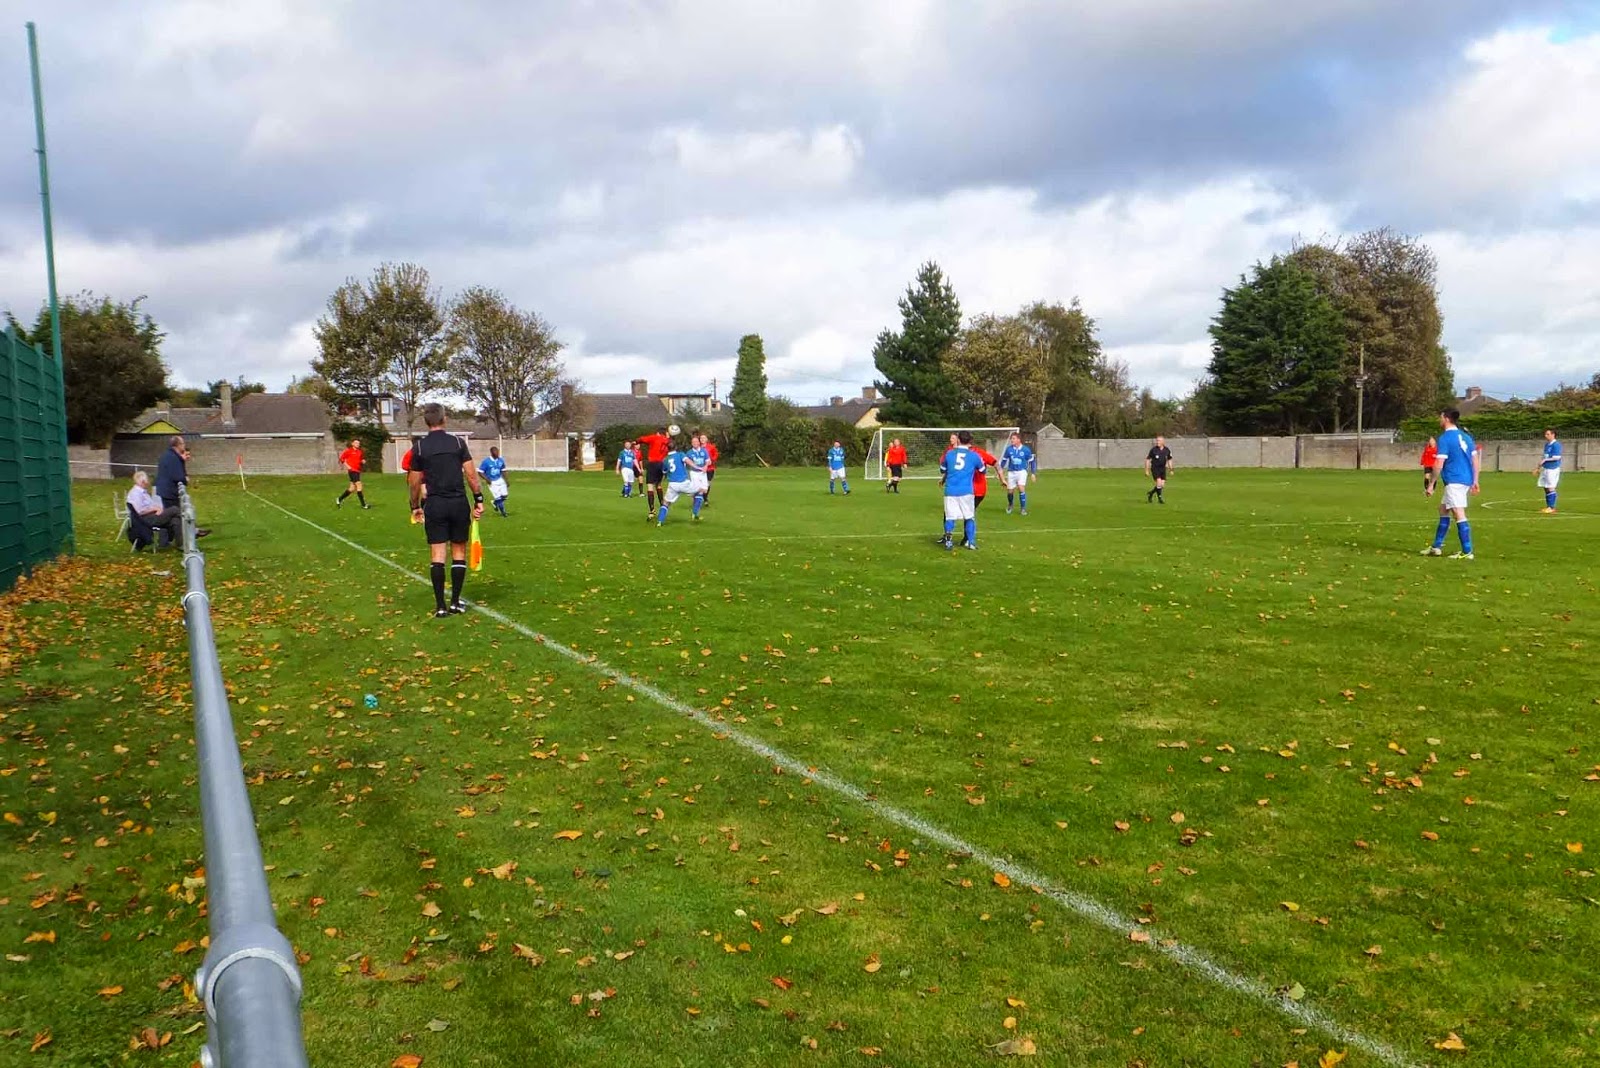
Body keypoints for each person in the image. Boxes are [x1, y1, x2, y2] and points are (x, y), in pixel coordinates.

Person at [408, 404, 485, 617]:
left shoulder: (420, 447)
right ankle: (455, 602)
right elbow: (471, 475)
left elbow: (414, 482)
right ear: (445, 419)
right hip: (458, 503)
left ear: (426, 422)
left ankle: (441, 606)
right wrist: (478, 499)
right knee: (459, 552)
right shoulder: (458, 443)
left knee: (437, 555)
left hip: (435, 505)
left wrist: (414, 506)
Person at [1421, 409, 1479, 560]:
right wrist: (1475, 480)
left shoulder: (1445, 438)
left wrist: (1431, 484)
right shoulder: (1466, 437)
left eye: (1440, 417)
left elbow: (1439, 463)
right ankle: (1436, 547)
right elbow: (1475, 460)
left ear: (1446, 419)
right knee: (1443, 509)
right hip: (1464, 479)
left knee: (1458, 513)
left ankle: (1467, 551)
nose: (1439, 420)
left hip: (1455, 480)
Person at [939, 431, 990, 550]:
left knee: (950, 517)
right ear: (970, 441)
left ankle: (948, 541)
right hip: (966, 490)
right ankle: (971, 543)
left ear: (958, 440)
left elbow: (942, 469)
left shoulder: (949, 454)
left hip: (950, 490)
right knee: (969, 516)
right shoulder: (974, 455)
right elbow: (983, 470)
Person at [155, 435, 210, 538]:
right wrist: (185, 479)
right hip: (169, 492)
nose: (184, 446)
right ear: (178, 445)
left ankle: (178, 537)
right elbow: (177, 475)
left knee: (174, 515)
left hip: (166, 490)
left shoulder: (168, 455)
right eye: (183, 443)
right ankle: (180, 537)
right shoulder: (173, 457)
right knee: (173, 515)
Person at [126, 470, 176, 550]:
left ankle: (177, 543)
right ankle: (191, 531)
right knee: (174, 510)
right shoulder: (136, 494)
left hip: (151, 515)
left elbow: (150, 505)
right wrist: (155, 509)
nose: (148, 482)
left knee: (175, 520)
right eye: (147, 480)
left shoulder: (143, 493)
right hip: (145, 519)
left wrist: (158, 509)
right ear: (143, 481)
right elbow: (140, 511)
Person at [656, 440, 699, 525]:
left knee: (666, 502)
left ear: (667, 449)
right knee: (701, 491)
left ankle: (660, 521)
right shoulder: (680, 454)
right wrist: (697, 467)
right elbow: (687, 461)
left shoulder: (665, 459)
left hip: (673, 485)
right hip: (684, 483)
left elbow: (664, 471)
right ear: (676, 447)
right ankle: (695, 514)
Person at [636, 426, 673, 520]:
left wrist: (636, 441)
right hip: (661, 464)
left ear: (658, 433)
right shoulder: (667, 441)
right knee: (659, 485)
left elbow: (641, 439)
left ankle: (652, 510)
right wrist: (668, 437)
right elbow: (672, 446)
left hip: (652, 464)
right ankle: (662, 506)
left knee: (650, 486)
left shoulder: (654, 437)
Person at [1000, 432, 1036, 515]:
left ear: (1018, 440)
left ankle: (1023, 508)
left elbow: (1032, 461)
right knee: (1010, 491)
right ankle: (1010, 504)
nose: (1011, 440)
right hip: (1011, 472)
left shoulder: (1026, 450)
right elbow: (1004, 460)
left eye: (1013, 438)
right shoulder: (1009, 449)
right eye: (1011, 438)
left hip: (1022, 471)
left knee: (1021, 487)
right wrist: (1000, 470)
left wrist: (1033, 473)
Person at [336, 439, 370, 509]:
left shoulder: (359, 452)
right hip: (352, 471)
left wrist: (362, 461)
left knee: (351, 488)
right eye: (356, 443)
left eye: (359, 443)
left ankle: (339, 499)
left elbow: (360, 460)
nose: (358, 444)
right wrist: (347, 466)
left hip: (357, 471)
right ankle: (363, 505)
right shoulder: (348, 451)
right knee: (359, 485)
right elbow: (342, 459)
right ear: (352, 444)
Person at [478, 446, 510, 517]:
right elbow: (480, 472)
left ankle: (495, 503)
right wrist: (487, 479)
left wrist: (507, 480)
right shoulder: (486, 461)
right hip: (492, 482)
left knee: (505, 495)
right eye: (496, 452)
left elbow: (503, 470)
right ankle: (503, 513)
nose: (497, 453)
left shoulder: (501, 460)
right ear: (492, 452)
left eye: (498, 451)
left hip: (500, 480)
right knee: (498, 498)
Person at [1536, 428, 1562, 513]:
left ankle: (1551, 507)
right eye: (1545, 434)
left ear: (1553, 434)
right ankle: (1548, 507)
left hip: (1552, 468)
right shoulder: (1547, 445)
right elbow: (1545, 456)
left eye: (1548, 434)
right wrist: (1539, 467)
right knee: (1545, 487)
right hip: (1546, 468)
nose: (1546, 436)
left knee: (1551, 487)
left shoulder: (1556, 445)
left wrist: (1545, 460)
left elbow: (1557, 457)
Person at [687, 433, 711, 516]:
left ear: (699, 442)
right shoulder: (689, 453)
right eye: (693, 442)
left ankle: (696, 505)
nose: (694, 443)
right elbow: (688, 463)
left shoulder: (704, 451)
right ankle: (695, 510)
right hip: (694, 473)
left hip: (703, 473)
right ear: (691, 443)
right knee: (697, 490)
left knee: (705, 490)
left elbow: (708, 461)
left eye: (696, 441)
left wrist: (705, 466)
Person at [1145, 436, 1173, 503]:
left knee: (1161, 485)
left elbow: (1170, 459)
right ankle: (1160, 499)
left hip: (1163, 469)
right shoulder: (1153, 450)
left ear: (1163, 442)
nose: (1157, 442)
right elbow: (1147, 459)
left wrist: (1171, 469)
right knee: (1159, 483)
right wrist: (1146, 470)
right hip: (1155, 468)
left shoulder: (1167, 450)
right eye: (1157, 440)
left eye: (1159, 441)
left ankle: (1151, 493)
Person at [700, 433, 720, 504]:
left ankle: (705, 498)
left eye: (704, 438)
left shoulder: (711, 447)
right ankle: (702, 498)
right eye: (701, 438)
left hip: (710, 469)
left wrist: (712, 460)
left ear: (707, 439)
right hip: (701, 469)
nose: (702, 439)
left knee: (707, 484)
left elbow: (716, 454)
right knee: (701, 484)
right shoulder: (698, 448)